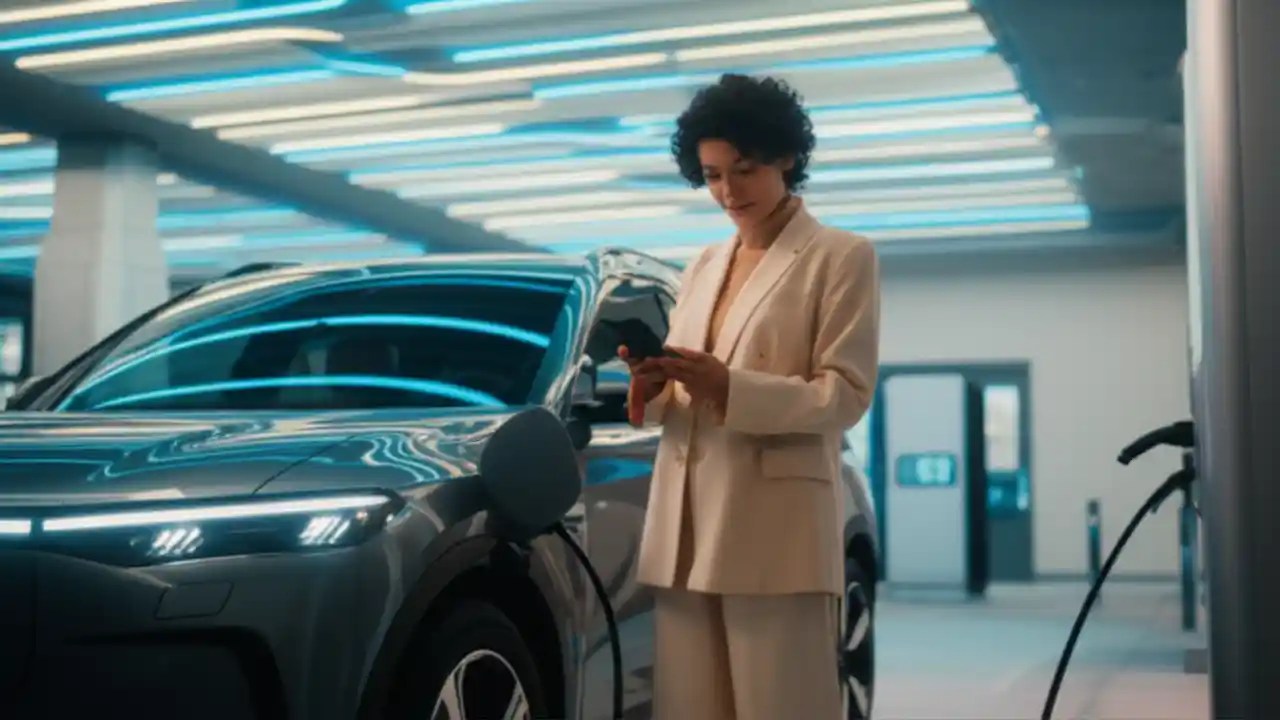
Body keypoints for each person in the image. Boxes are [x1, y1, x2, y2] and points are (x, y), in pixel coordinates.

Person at [618, 73, 880, 720]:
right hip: (683, 529)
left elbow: (844, 395)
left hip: (773, 530)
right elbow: (684, 393)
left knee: (778, 705)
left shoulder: (840, 257)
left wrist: (730, 387)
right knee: (688, 708)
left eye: (746, 169)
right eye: (710, 176)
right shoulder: (703, 264)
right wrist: (652, 384)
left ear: (788, 157)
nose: (728, 192)